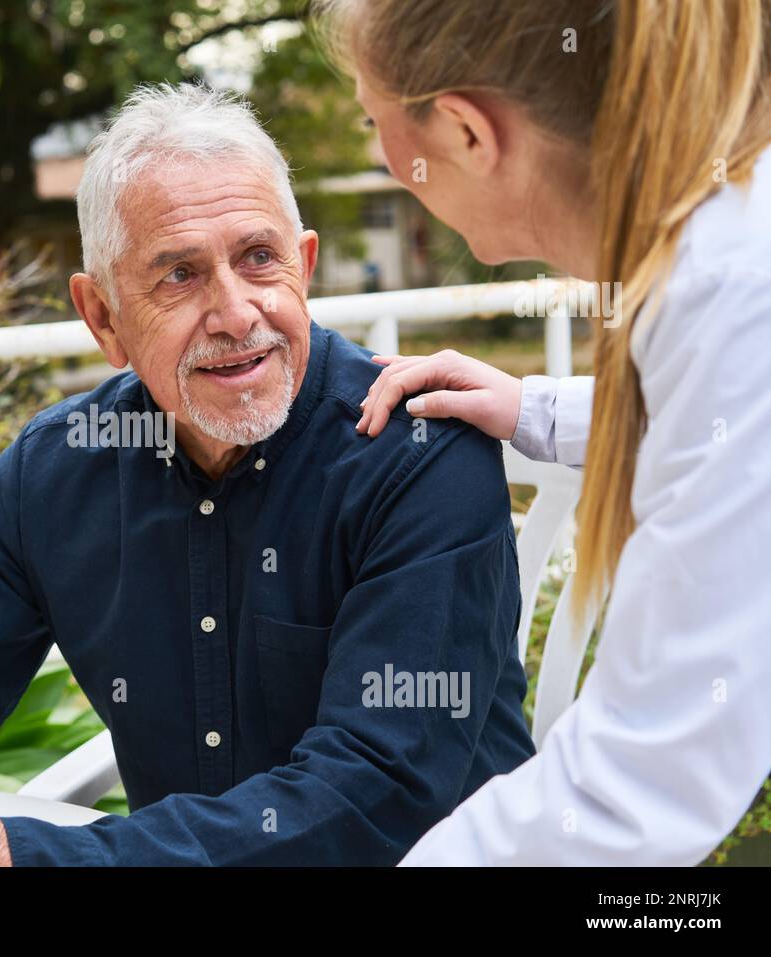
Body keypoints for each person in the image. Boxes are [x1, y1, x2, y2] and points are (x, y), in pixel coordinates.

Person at [0, 82, 535, 866]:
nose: (237, 312)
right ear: (102, 316)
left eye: (258, 258)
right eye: (179, 275)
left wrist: (30, 859)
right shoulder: (60, 470)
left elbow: (371, 796)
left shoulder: (420, 455)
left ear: (303, 266)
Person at [316, 0, 771, 864]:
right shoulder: (721, 250)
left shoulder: (732, 295)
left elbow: (641, 783)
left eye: (373, 120)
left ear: (464, 131)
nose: (380, 151)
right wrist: (539, 409)